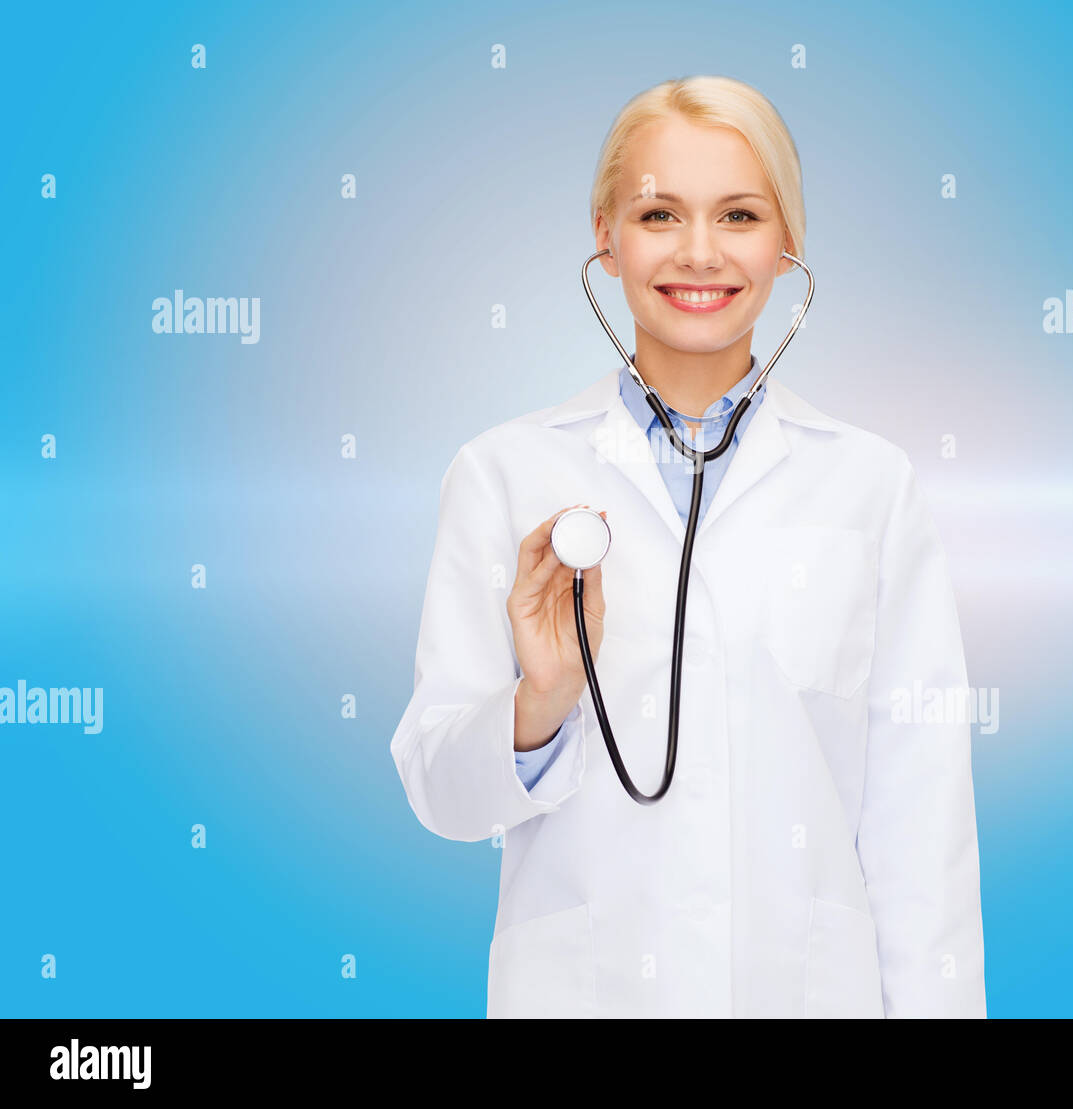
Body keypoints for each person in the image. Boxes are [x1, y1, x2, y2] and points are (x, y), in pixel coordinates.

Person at [390, 75, 986, 1019]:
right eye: (660, 213)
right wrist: (537, 703)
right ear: (606, 235)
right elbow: (441, 795)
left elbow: (923, 832)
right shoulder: (502, 474)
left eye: (740, 214)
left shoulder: (871, 486)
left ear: (787, 243)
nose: (699, 253)